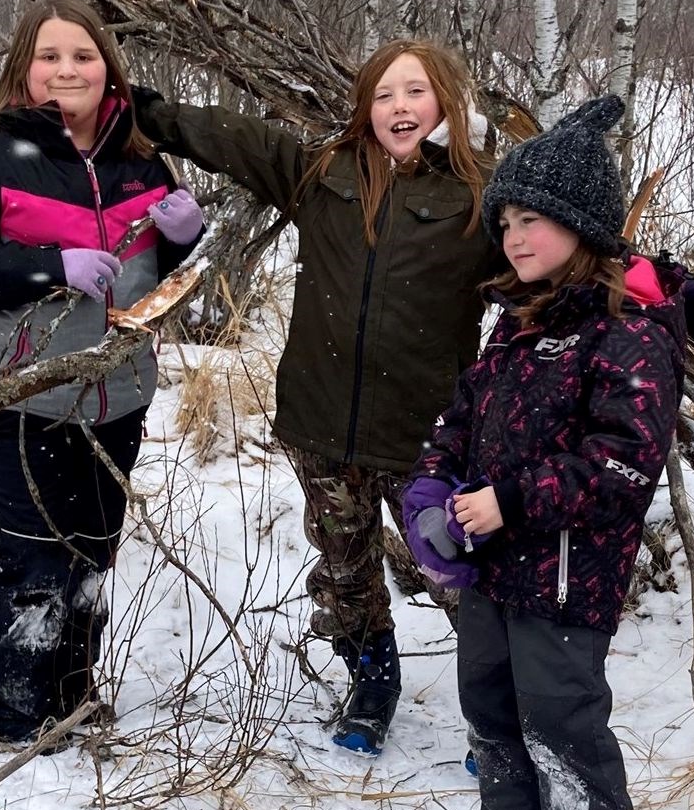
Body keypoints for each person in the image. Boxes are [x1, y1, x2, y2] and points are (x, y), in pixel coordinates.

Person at [131, 39, 499, 756]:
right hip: (321, 422)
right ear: (366, 107)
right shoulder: (325, 174)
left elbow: (552, 261)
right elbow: (235, 138)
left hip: (428, 435)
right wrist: (149, 113)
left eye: (416, 92)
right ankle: (372, 679)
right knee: (343, 565)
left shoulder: (481, 196)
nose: (399, 106)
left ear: (447, 103)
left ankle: (495, 721)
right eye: (385, 93)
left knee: (459, 577)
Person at [0, 0, 205, 747]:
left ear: (108, 66)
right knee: (34, 556)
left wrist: (182, 238)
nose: (67, 69)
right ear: (25, 69)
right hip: (25, 398)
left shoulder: (138, 154)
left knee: (94, 549)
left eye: (83, 54)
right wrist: (49, 266)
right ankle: (12, 717)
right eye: (50, 56)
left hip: (121, 393)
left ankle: (72, 698)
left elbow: (154, 270)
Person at [402, 96, 680, 810]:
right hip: (492, 580)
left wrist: (513, 501)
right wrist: (432, 487)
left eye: (531, 219)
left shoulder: (628, 329)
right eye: (505, 222)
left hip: (563, 590)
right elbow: (462, 416)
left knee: (564, 746)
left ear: (582, 223)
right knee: (493, 731)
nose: (513, 237)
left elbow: (625, 460)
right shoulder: (517, 320)